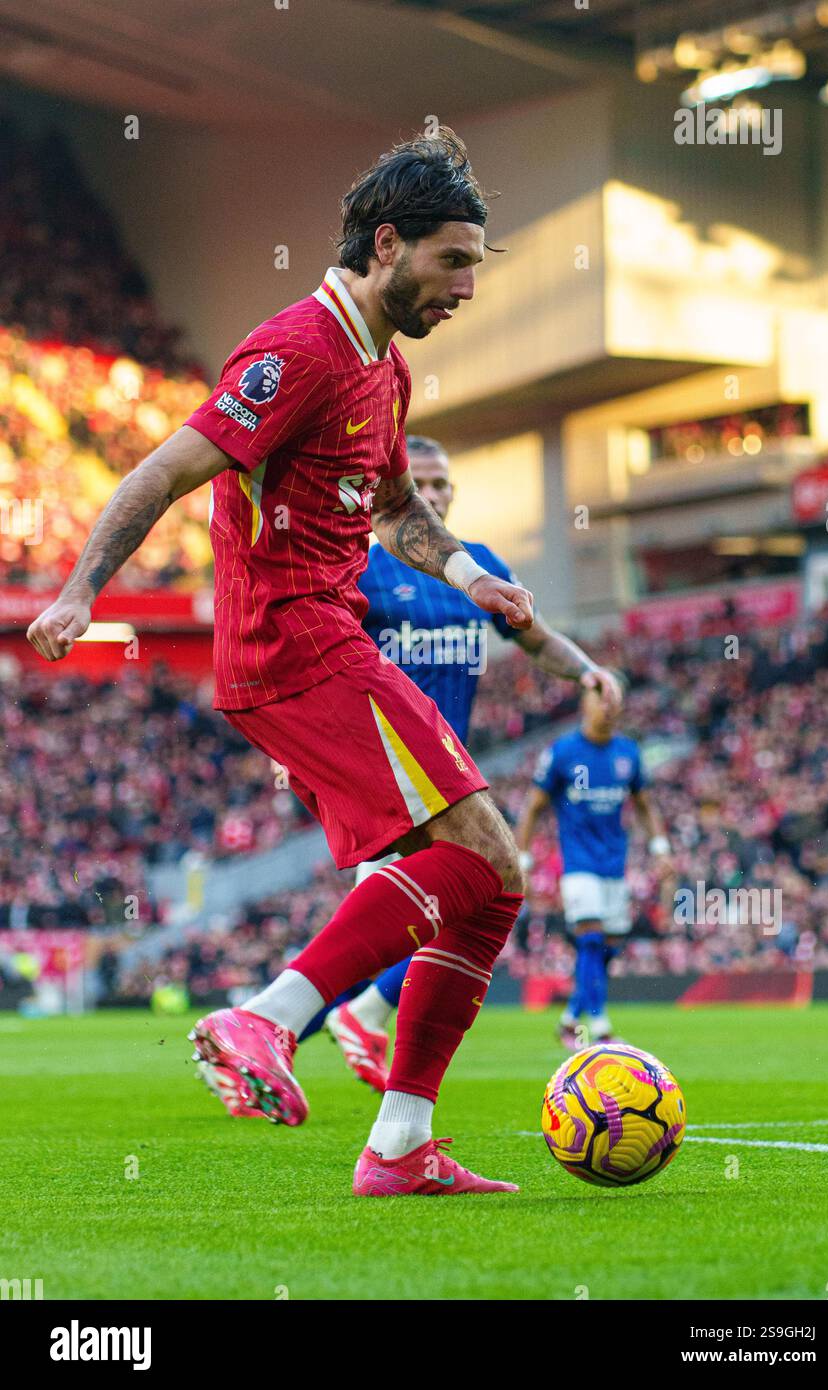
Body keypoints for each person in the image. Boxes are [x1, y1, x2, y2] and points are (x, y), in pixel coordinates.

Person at [28, 127, 540, 1197]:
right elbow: (165, 469)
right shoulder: (297, 350)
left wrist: (468, 578)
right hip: (293, 643)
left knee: (493, 880)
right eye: (452, 262)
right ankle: (266, 1019)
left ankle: (399, 1144)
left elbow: (396, 516)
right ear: (387, 244)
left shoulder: (382, 368)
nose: (465, 289)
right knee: (483, 851)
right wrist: (80, 588)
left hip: (327, 638)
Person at [311, 434, 621, 1089]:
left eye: (443, 482)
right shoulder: (360, 569)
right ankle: (339, 1017)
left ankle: (274, 1022)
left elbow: (535, 638)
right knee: (472, 892)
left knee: (402, 924)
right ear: (387, 494)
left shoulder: (477, 567)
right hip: (385, 767)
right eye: (418, 482)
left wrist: (589, 669)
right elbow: (320, 660)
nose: (434, 494)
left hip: (449, 773)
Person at [515, 678, 673, 1046]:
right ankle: (599, 1028)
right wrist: (522, 860)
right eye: (598, 697)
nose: (606, 705)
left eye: (612, 698)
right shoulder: (563, 752)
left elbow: (646, 805)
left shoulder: (628, 754)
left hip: (614, 865)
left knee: (609, 946)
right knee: (591, 939)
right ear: (584, 703)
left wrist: (661, 849)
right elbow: (534, 807)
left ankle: (571, 1018)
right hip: (578, 864)